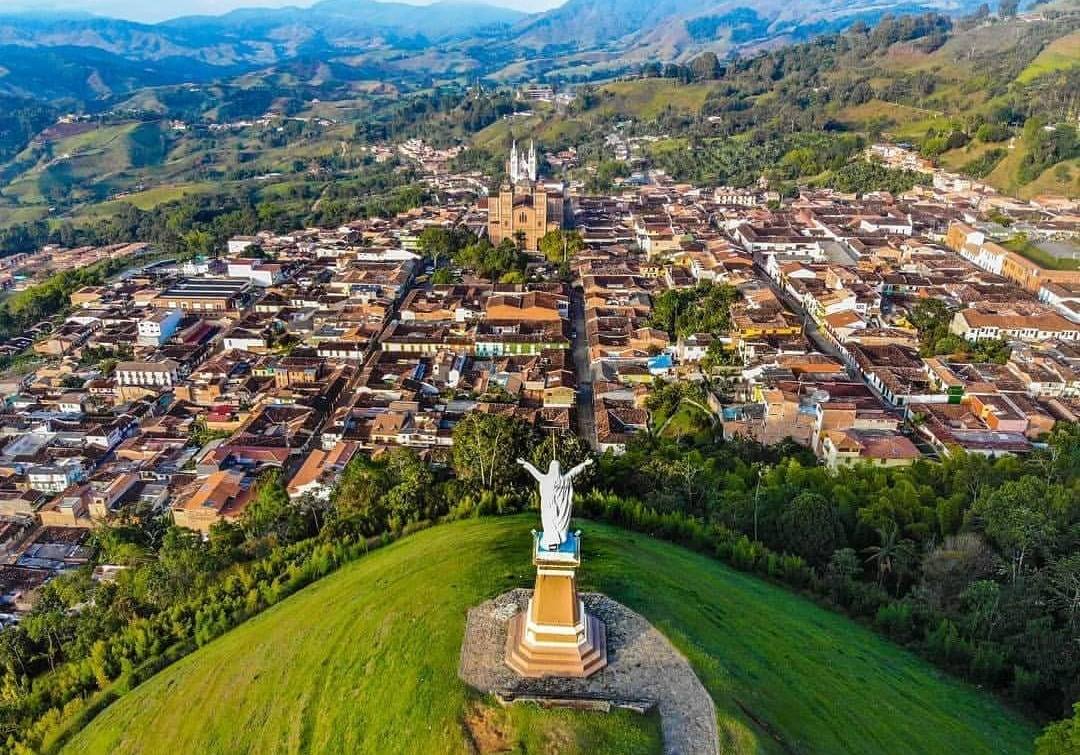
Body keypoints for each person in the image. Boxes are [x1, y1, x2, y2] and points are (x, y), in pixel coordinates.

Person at [516, 457, 594, 550]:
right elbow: (574, 471)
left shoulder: (545, 479)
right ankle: (558, 539)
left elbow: (534, 472)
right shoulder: (565, 480)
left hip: (549, 510)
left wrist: (525, 463)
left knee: (550, 525)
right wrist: (584, 463)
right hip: (562, 511)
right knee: (560, 527)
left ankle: (552, 540)